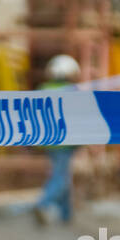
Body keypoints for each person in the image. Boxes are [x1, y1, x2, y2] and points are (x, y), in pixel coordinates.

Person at [31, 54, 81, 225]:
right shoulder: (73, 91)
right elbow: (80, 117)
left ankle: (66, 216)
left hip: (48, 141)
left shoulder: (42, 89)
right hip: (66, 142)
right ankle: (42, 204)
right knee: (61, 178)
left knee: (62, 174)